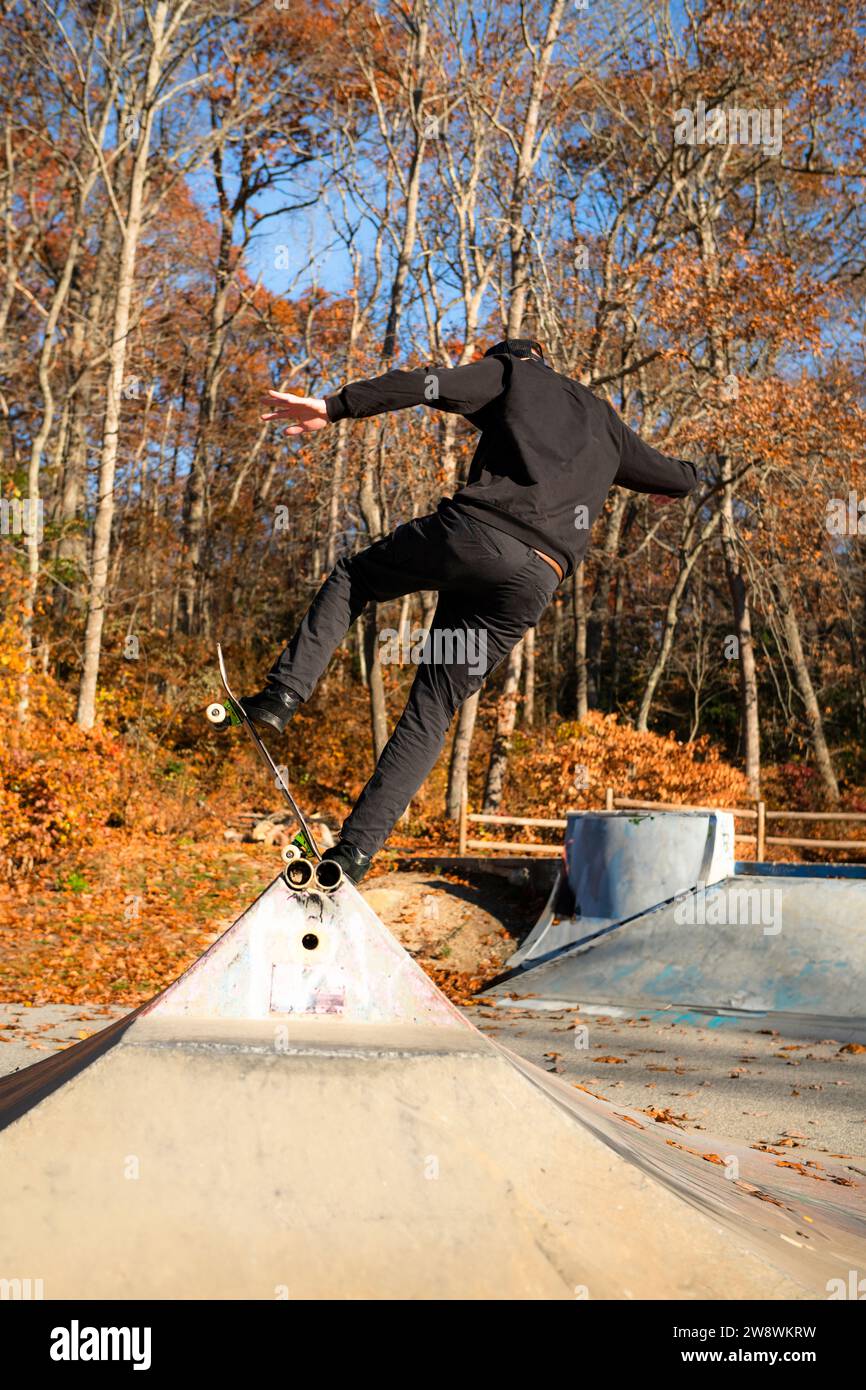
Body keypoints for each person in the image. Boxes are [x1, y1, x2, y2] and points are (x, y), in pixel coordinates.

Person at [242, 337, 698, 883]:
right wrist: (683, 480)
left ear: (513, 357)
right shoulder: (603, 419)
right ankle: (355, 853)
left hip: (477, 536)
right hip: (536, 579)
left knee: (354, 577)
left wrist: (334, 406)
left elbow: (423, 384)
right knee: (433, 705)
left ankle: (283, 695)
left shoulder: (510, 373)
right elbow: (676, 475)